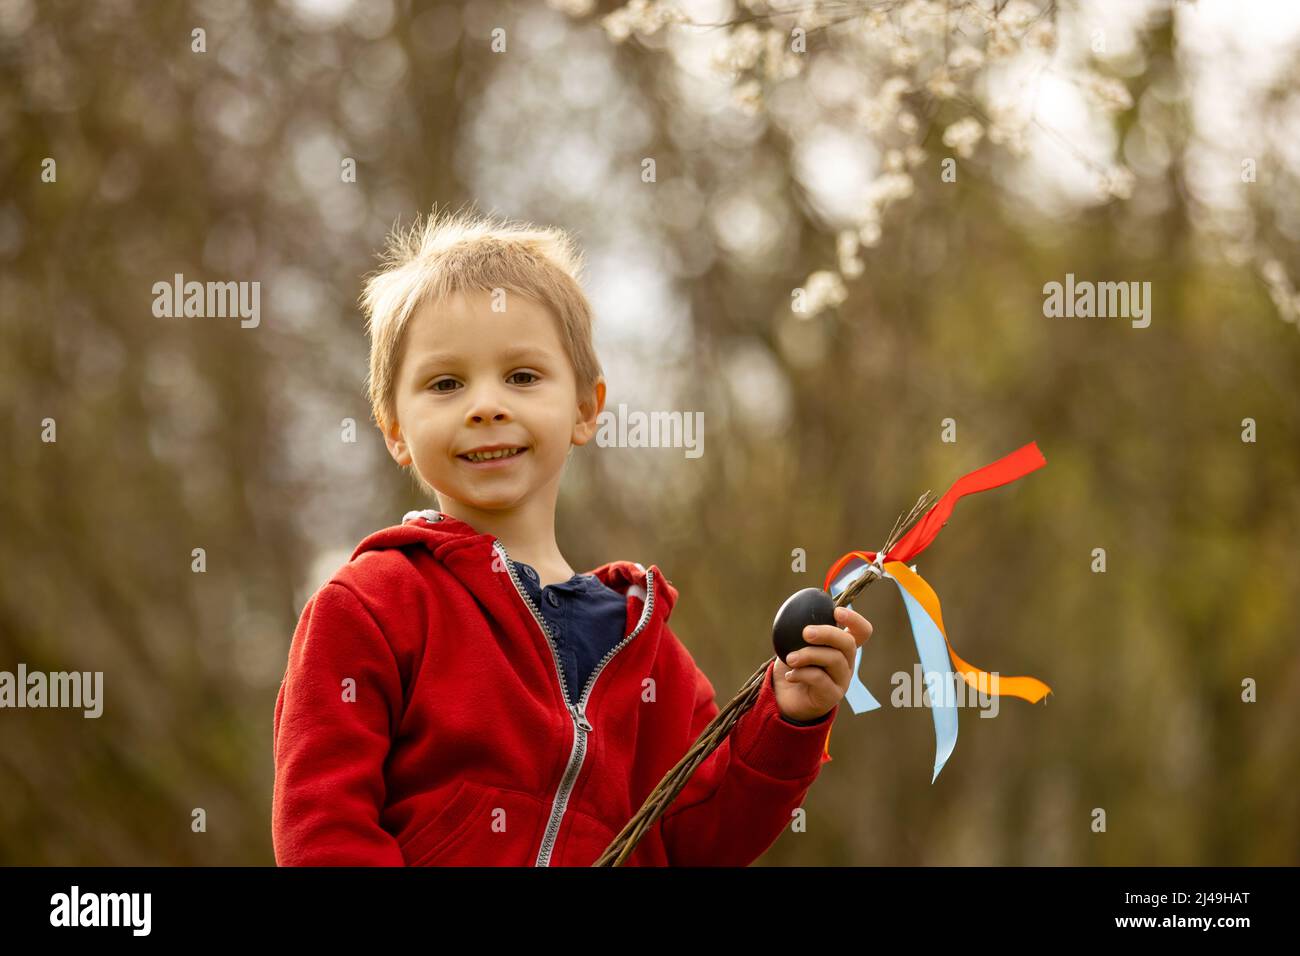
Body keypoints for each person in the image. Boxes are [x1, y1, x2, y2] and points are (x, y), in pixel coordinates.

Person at [271, 205, 874, 866]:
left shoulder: (644, 649)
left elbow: (702, 842)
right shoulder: (370, 608)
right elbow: (323, 830)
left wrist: (791, 720)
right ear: (394, 430)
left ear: (586, 408)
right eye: (446, 384)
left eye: (523, 376)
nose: (486, 405)